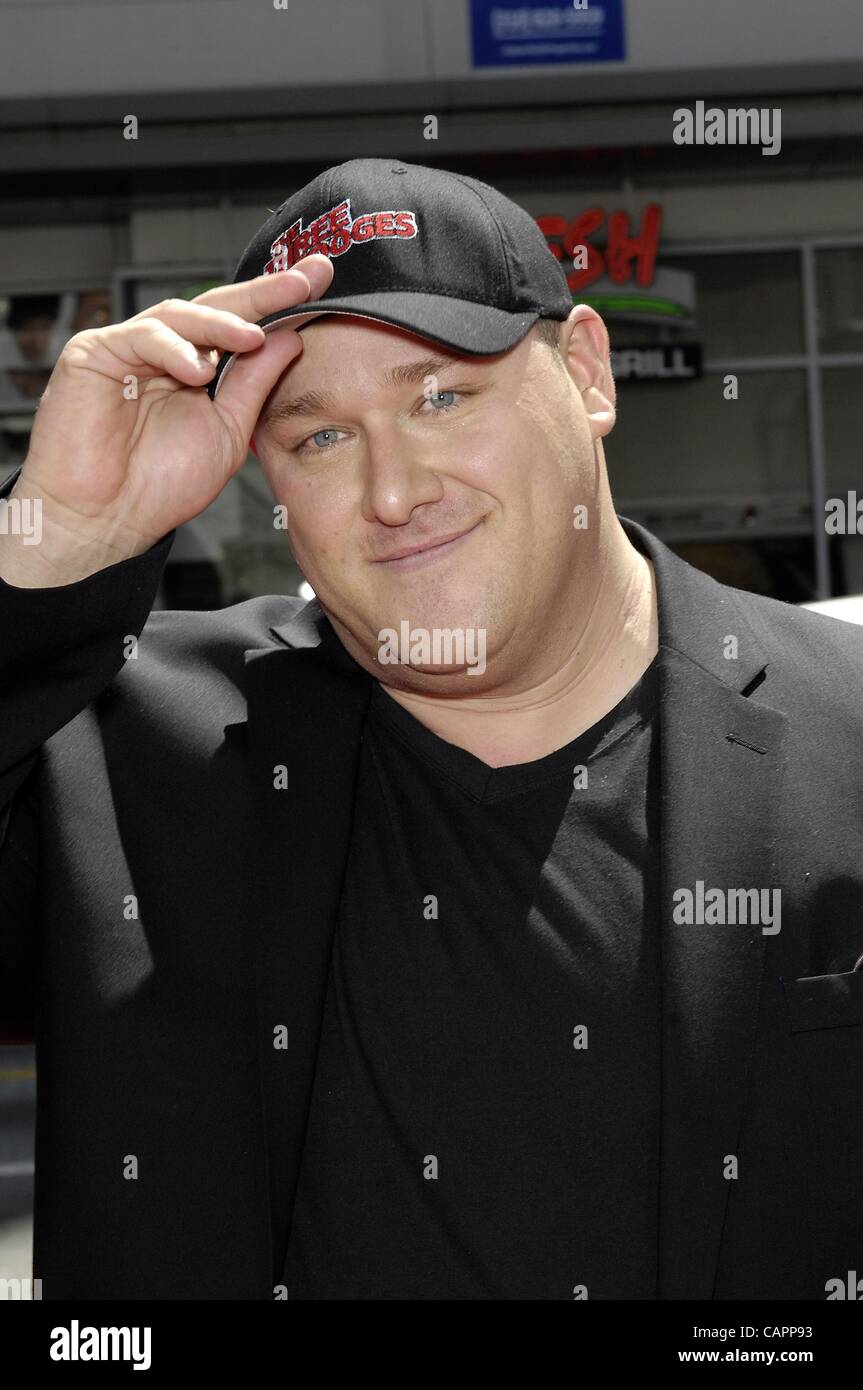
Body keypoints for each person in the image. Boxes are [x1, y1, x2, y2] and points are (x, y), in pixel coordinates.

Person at [0, 158, 861, 1301]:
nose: (393, 490)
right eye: (317, 438)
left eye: (439, 397)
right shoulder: (123, 749)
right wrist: (49, 546)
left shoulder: (843, 731)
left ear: (587, 374)